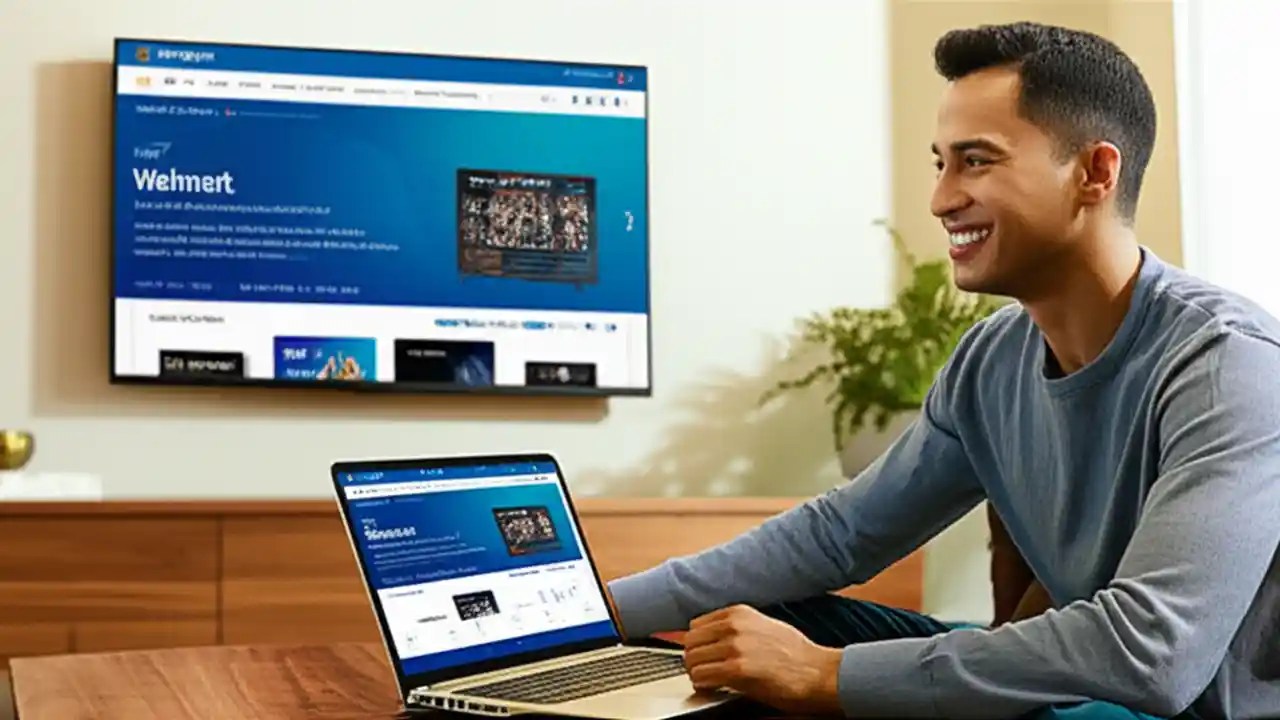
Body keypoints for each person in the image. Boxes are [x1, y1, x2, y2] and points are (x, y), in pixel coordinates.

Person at [606, 21, 1280, 720]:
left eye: (977, 161)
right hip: (1098, 696)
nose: (941, 198)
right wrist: (599, 612)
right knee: (749, 635)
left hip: (1183, 710)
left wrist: (827, 676)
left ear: (1094, 174)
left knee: (816, 663)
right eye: (941, 163)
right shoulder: (990, 360)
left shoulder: (1227, 364)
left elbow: (1152, 651)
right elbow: (841, 535)